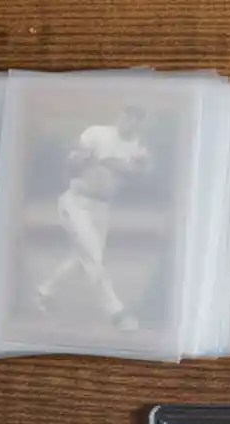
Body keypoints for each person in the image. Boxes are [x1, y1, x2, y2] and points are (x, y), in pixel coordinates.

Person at [35, 106, 151, 331]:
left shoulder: (138, 148)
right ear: (120, 116)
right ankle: (116, 312)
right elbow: (72, 161)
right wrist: (82, 158)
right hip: (77, 202)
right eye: (126, 115)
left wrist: (126, 167)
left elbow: (142, 174)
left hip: (102, 209)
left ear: (140, 123)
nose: (129, 122)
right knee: (94, 260)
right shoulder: (96, 133)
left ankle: (44, 292)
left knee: (83, 260)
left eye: (136, 118)